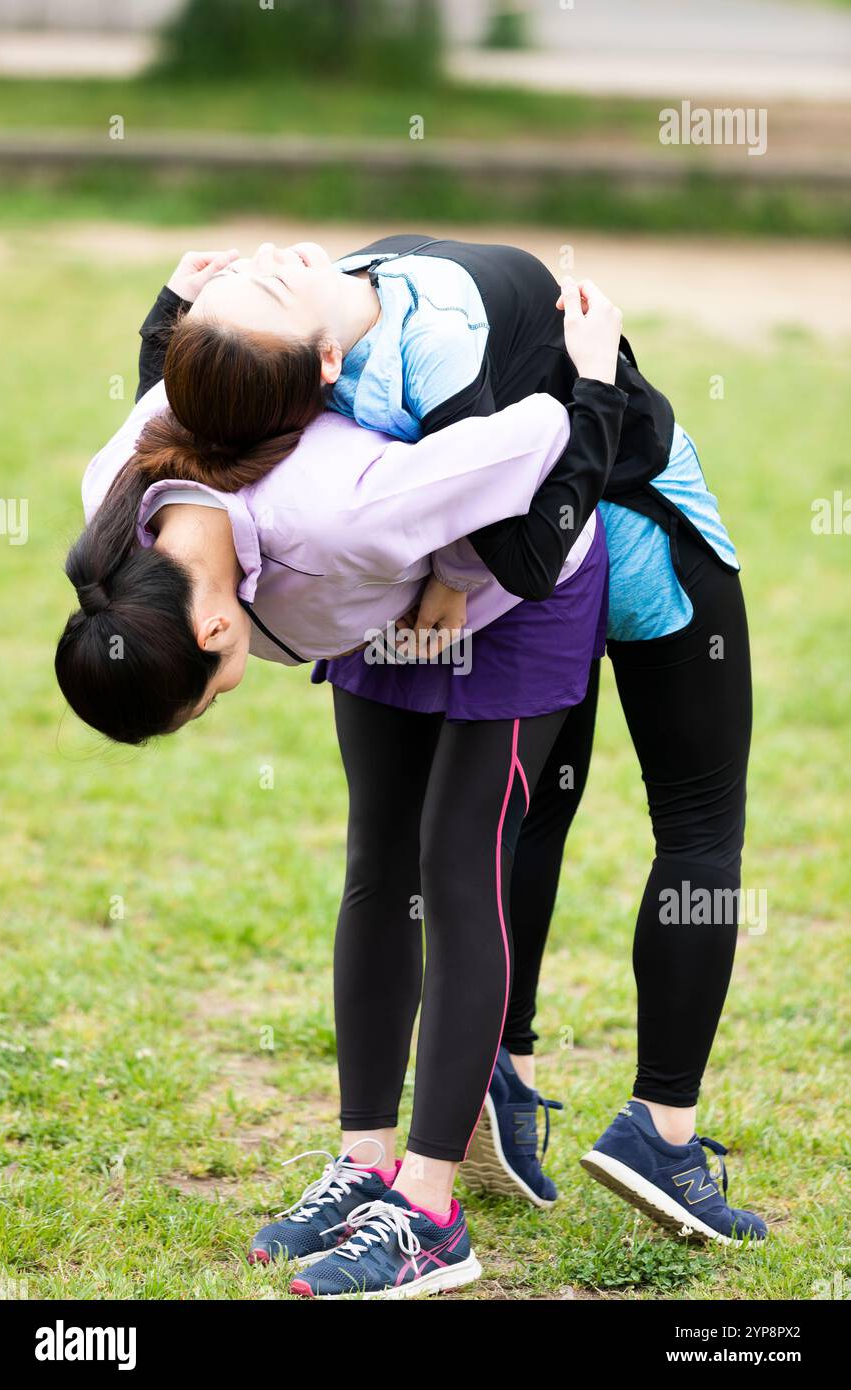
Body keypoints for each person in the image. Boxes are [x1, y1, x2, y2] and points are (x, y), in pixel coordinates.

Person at [138, 237, 767, 1252]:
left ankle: (502, 1076)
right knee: (694, 826)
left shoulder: (275, 393)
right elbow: (519, 519)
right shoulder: (385, 336)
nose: (277, 256)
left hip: (537, 556)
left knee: (517, 818)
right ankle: (659, 1128)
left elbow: (168, 415)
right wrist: (596, 377)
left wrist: (454, 572)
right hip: (623, 527)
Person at [56, 263, 627, 1296]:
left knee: (458, 863)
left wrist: (592, 378)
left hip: (505, 586)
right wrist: (171, 309)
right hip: (369, 589)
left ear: (217, 629)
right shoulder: (114, 509)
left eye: (212, 690)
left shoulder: (338, 516)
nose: (229, 689)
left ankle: (429, 1207)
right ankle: (363, 1161)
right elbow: (168, 380)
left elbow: (536, 435)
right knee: (378, 859)